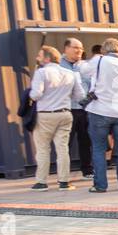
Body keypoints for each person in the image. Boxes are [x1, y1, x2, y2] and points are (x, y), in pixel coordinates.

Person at [28, 46, 84, 190]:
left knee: (43, 149)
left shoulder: (41, 72)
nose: (37, 58)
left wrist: (30, 94)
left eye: (40, 56)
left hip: (45, 114)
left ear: (47, 58)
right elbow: (79, 96)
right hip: (65, 113)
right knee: (62, 148)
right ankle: (64, 181)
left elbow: (36, 94)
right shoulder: (70, 73)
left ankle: (41, 181)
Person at [84, 38, 118, 192]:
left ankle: (100, 185)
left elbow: (83, 71)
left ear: (105, 50)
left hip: (99, 111)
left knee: (99, 148)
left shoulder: (99, 60)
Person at [60, 38, 93, 180]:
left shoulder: (86, 66)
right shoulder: (58, 66)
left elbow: (93, 85)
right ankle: (63, 173)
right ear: (66, 48)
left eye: (81, 48)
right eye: (76, 48)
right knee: (65, 142)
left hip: (85, 109)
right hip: (66, 109)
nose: (79, 51)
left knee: (86, 140)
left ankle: (87, 170)